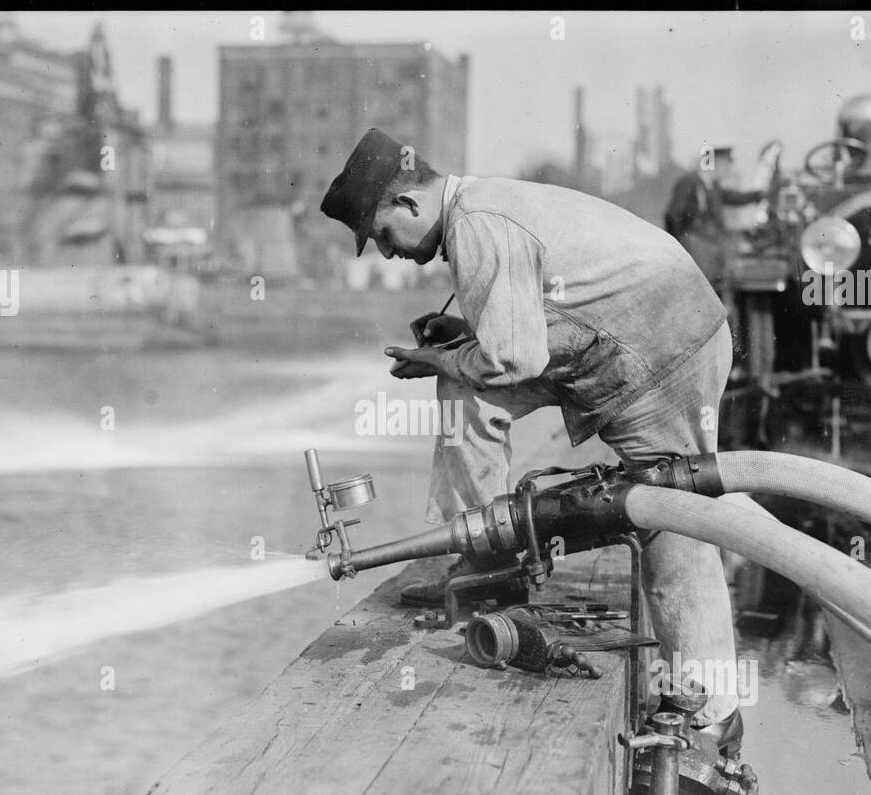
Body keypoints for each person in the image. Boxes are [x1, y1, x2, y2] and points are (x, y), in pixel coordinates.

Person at [320, 128, 742, 743]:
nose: (388, 254)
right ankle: (483, 562)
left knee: (671, 517)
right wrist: (465, 335)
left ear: (409, 204)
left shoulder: (478, 225)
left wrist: (441, 358)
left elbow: (512, 361)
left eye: (383, 236)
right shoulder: (480, 209)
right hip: (616, 340)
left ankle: (711, 717)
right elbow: (537, 319)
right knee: (466, 390)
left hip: (663, 349)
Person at [664, 146, 767, 291]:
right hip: (696, 245)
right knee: (700, 289)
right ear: (717, 164)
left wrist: (758, 195)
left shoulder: (711, 185)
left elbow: (733, 197)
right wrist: (677, 246)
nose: (729, 170)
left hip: (710, 246)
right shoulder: (690, 182)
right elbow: (673, 214)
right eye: (727, 165)